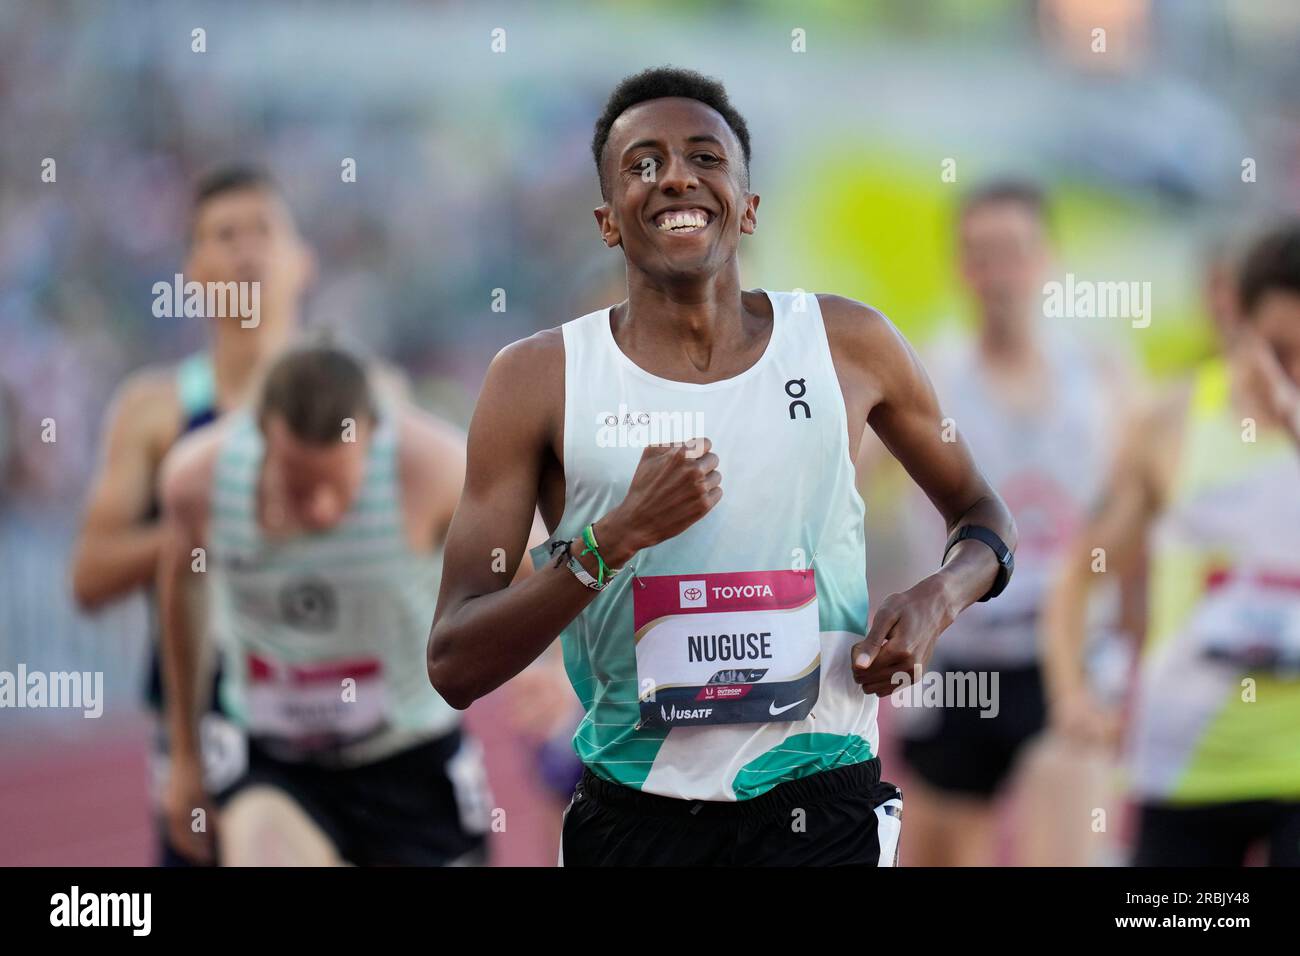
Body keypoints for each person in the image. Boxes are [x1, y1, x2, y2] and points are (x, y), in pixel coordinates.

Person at [427, 66, 1016, 866]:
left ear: (748, 206)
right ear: (607, 221)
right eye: (643, 163)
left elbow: (982, 514)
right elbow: (456, 660)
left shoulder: (850, 345)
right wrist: (616, 538)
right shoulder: (537, 380)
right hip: (634, 815)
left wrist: (938, 598)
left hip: (822, 799)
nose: (675, 175)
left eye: (706, 158)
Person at [158, 346, 491, 866]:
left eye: (337, 486)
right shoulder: (200, 480)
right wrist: (184, 754)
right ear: (264, 435)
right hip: (277, 763)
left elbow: (531, 567)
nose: (319, 507)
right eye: (298, 485)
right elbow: (183, 592)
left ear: (372, 438)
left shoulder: (429, 468)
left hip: (409, 756)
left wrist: (552, 667)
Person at [882, 181, 1134, 866]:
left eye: (1014, 253)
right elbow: (850, 485)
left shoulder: (1103, 377)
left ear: (1047, 257)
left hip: (1066, 661)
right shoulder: (928, 376)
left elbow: (1144, 518)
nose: (999, 275)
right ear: (962, 266)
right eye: (981, 255)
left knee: (1066, 842)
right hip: (961, 659)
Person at [70, 165, 312, 866]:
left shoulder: (351, 403)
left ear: (302, 261)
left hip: (329, 708)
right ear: (192, 272)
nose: (245, 252)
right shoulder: (155, 410)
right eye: (222, 236)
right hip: (201, 724)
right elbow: (90, 576)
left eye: (263, 231)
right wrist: (202, 520)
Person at [1044, 220, 1300, 866]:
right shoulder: (1170, 422)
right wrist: (1074, 695)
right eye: (1278, 349)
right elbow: (1083, 570)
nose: (1292, 373)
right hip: (1187, 764)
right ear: (1235, 319)